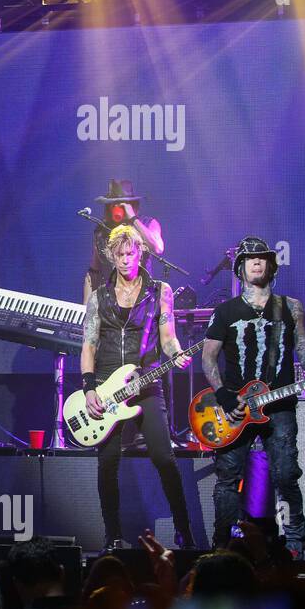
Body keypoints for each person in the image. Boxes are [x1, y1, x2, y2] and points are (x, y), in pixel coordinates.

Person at [201, 236, 305, 555]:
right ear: (240, 269)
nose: (257, 261)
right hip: (236, 408)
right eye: (250, 258)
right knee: (228, 477)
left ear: (272, 267)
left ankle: (296, 542)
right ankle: (222, 546)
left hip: (279, 406)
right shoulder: (226, 311)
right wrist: (224, 396)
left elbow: (303, 349)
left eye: (263, 257)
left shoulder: (291, 307)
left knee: (286, 473)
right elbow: (208, 357)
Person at [79, 226, 194, 550]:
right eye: (120, 255)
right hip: (105, 386)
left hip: (146, 383)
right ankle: (112, 535)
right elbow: (88, 345)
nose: (127, 260)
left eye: (131, 253)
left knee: (165, 457)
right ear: (112, 256)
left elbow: (168, 336)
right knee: (108, 463)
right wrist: (89, 389)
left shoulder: (160, 291)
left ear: (140, 253)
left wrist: (176, 353)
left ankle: (184, 531)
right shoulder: (99, 296)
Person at [83, 179, 165, 305]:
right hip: (111, 303)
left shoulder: (148, 224)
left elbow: (158, 248)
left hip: (141, 301)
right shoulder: (101, 231)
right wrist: (85, 309)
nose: (117, 207)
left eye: (122, 204)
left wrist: (133, 219)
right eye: (113, 203)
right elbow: (94, 272)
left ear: (132, 204)